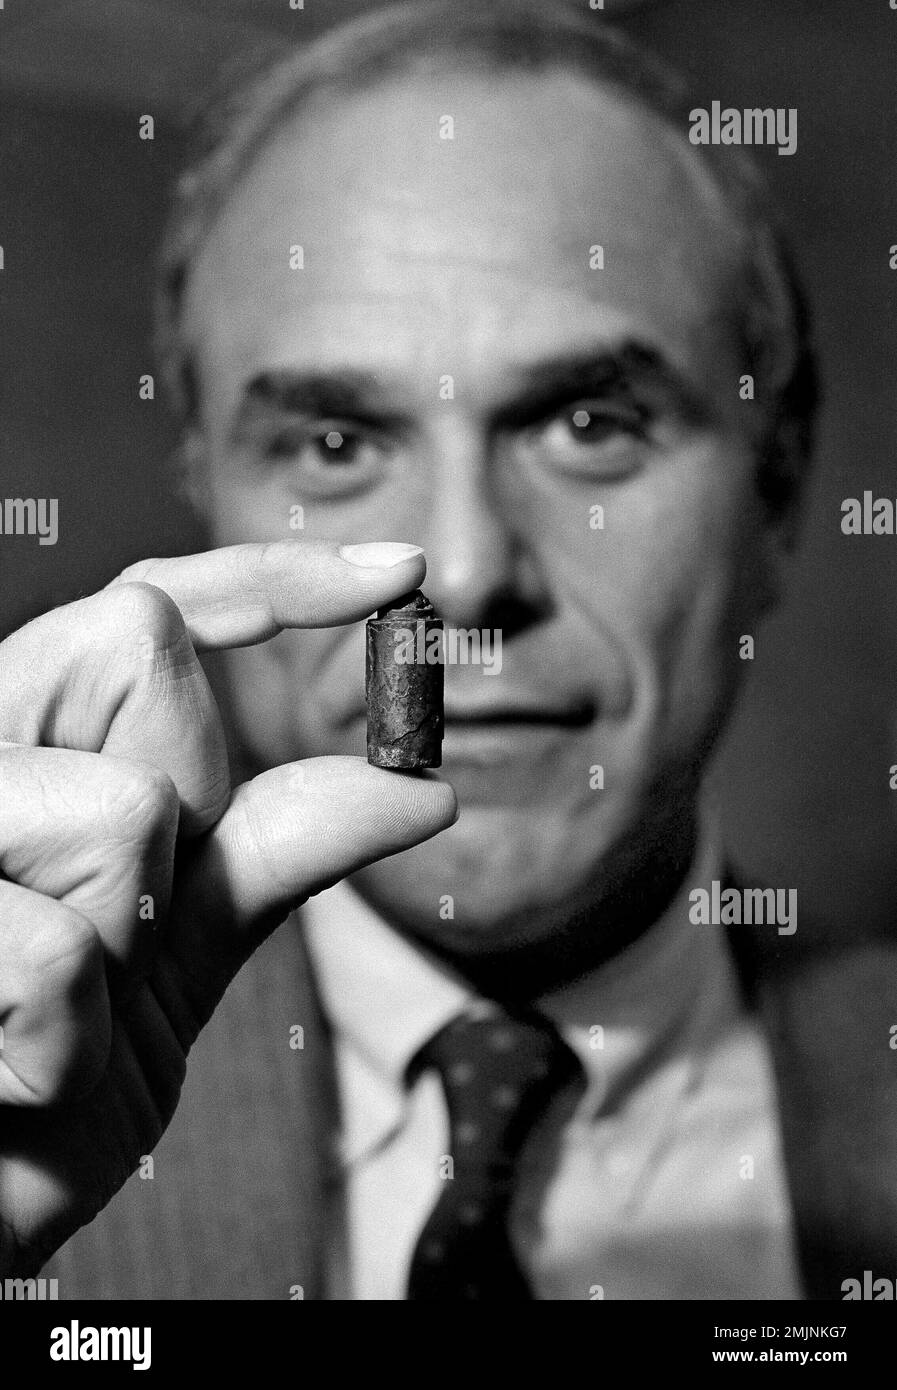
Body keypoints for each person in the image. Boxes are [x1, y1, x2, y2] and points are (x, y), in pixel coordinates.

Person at [1, 1, 892, 1302]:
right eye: (334, 444)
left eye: (588, 422)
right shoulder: (39, 1099)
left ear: (778, 483)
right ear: (204, 483)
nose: (466, 571)